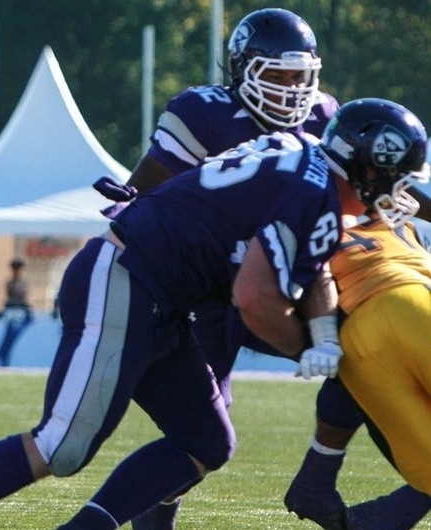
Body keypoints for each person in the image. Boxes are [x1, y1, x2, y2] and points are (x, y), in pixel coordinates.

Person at [0, 76, 363, 530]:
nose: (394, 199)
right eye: (392, 181)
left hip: (162, 295)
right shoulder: (308, 180)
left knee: (206, 441)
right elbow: (254, 298)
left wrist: (323, 336)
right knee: (61, 446)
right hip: (129, 278)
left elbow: (313, 263)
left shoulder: (305, 158)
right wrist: (307, 348)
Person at [97, 8, 422, 529]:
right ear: (241, 69)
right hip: (207, 289)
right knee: (202, 428)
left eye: (302, 75)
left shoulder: (326, 114)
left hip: (285, 279)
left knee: (359, 352)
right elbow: (150, 188)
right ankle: (154, 517)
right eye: (278, 75)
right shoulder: (202, 112)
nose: (293, 89)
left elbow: (386, 178)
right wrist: (129, 202)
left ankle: (320, 479)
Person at [312, 98, 431, 521]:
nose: (404, 190)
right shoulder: (389, 218)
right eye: (398, 177)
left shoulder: (298, 193)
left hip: (357, 348)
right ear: (364, 168)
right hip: (410, 304)